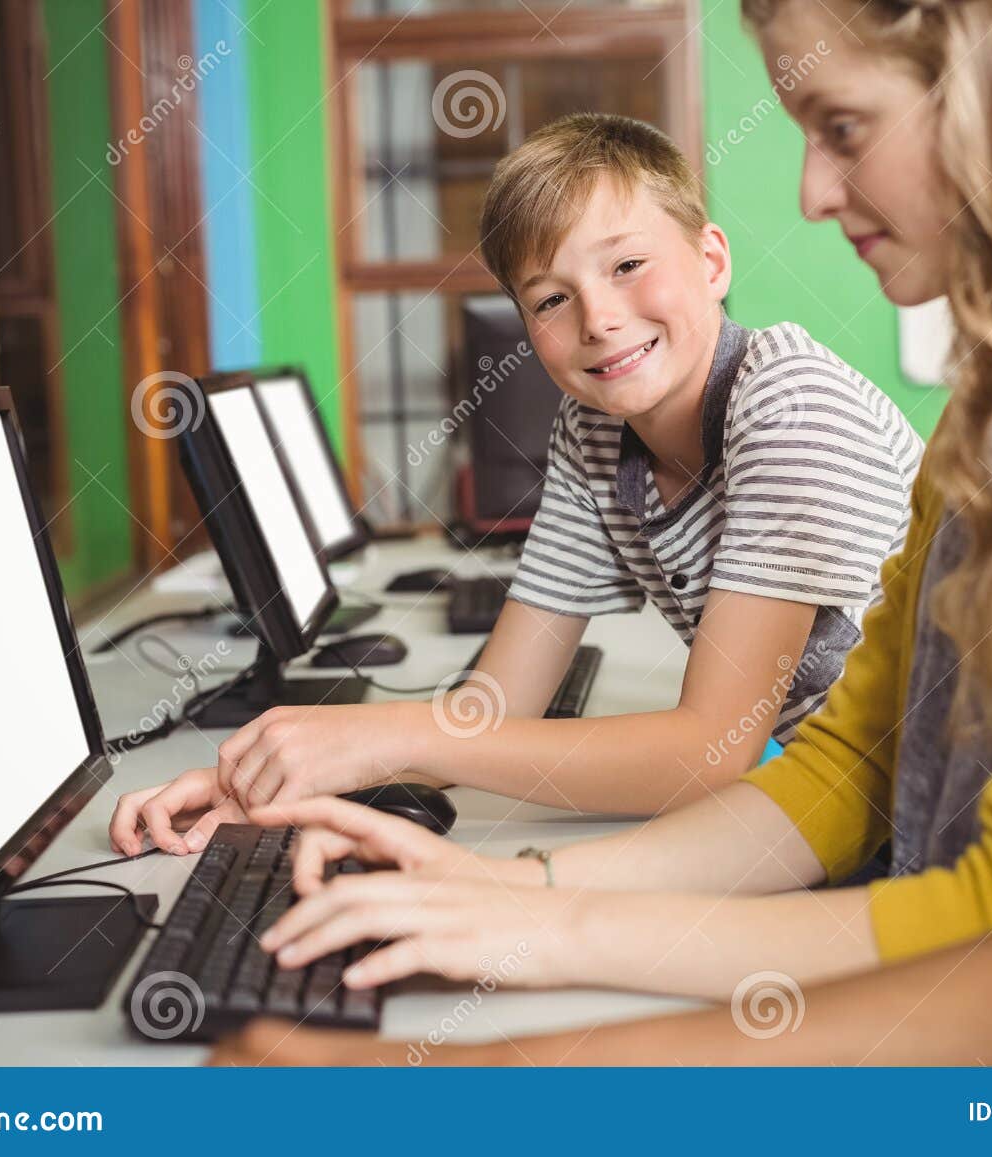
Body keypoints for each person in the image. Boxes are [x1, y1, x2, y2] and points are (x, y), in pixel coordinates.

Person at [209, 0, 992, 1067]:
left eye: (841, 130)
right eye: (552, 300)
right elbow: (851, 767)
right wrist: (509, 893)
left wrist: (527, 971)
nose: (811, 192)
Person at [108, 114, 922, 848]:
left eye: (629, 264)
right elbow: (499, 703)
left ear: (710, 260)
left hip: (934, 810)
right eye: (551, 299)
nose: (599, 319)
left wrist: (391, 737)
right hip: (831, 783)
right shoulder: (593, 429)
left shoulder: (790, 407)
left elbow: (709, 751)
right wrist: (269, 781)